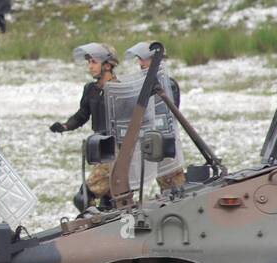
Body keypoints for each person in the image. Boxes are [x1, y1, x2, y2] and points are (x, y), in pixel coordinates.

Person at [49, 43, 119, 211]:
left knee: (84, 197)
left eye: (94, 62)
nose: (90, 67)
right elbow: (82, 114)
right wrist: (65, 126)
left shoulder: (121, 89)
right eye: (88, 62)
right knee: (107, 203)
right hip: (99, 148)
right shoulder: (90, 89)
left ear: (107, 65)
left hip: (117, 150)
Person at [124, 41, 186, 191]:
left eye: (143, 59)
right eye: (139, 59)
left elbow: (169, 113)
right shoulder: (141, 84)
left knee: (173, 188)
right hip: (148, 141)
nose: (140, 63)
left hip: (164, 142)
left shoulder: (167, 84)